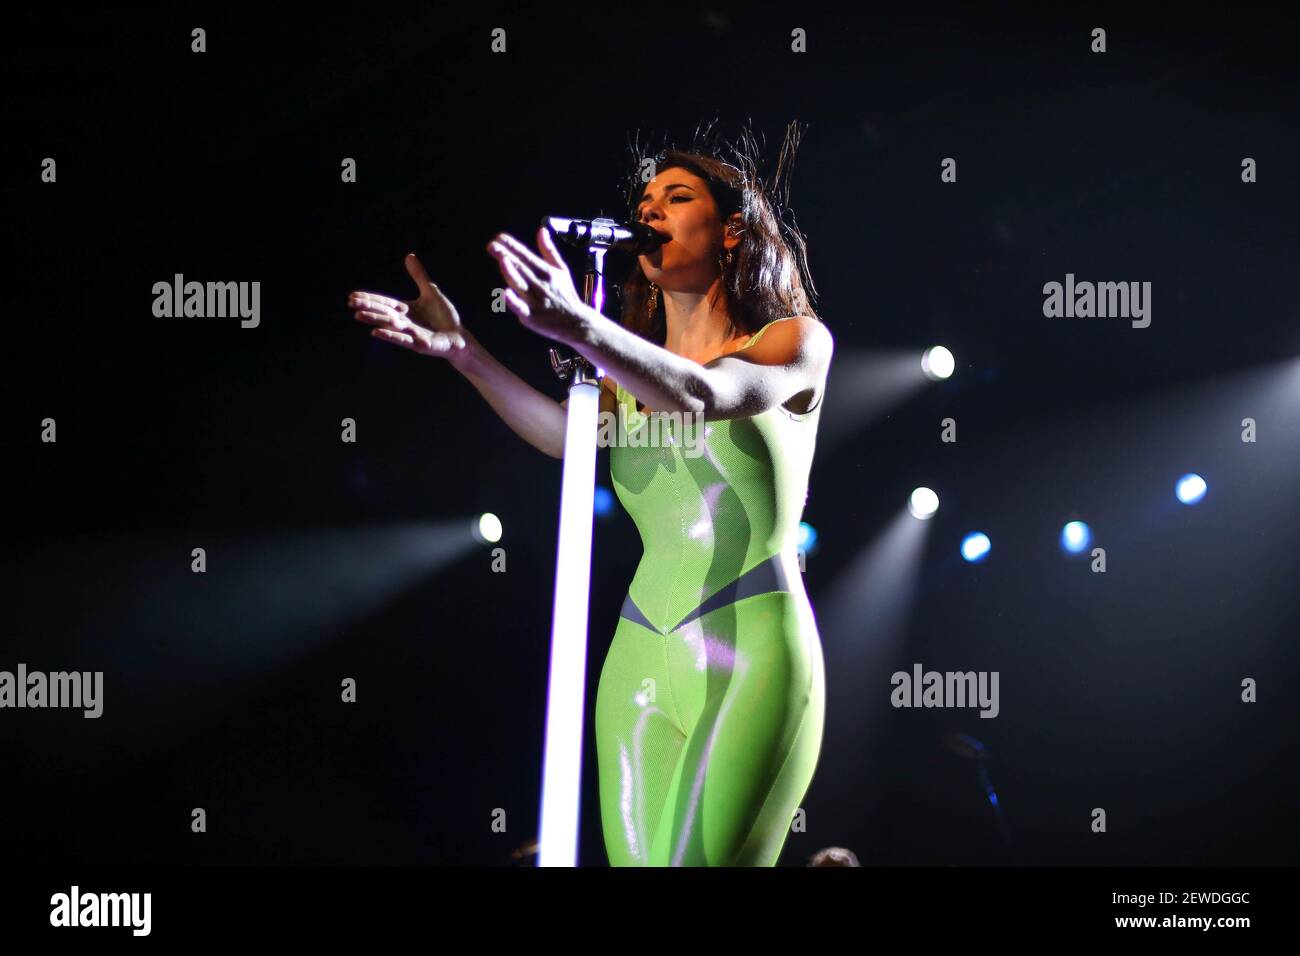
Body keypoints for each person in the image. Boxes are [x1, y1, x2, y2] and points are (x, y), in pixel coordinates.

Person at [347, 122, 832, 866]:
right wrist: (465, 354)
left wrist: (582, 327)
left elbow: (702, 393)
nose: (652, 212)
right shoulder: (626, 381)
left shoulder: (792, 343)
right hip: (639, 649)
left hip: (751, 642)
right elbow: (561, 438)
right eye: (645, 200)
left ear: (731, 229)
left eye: (676, 196)